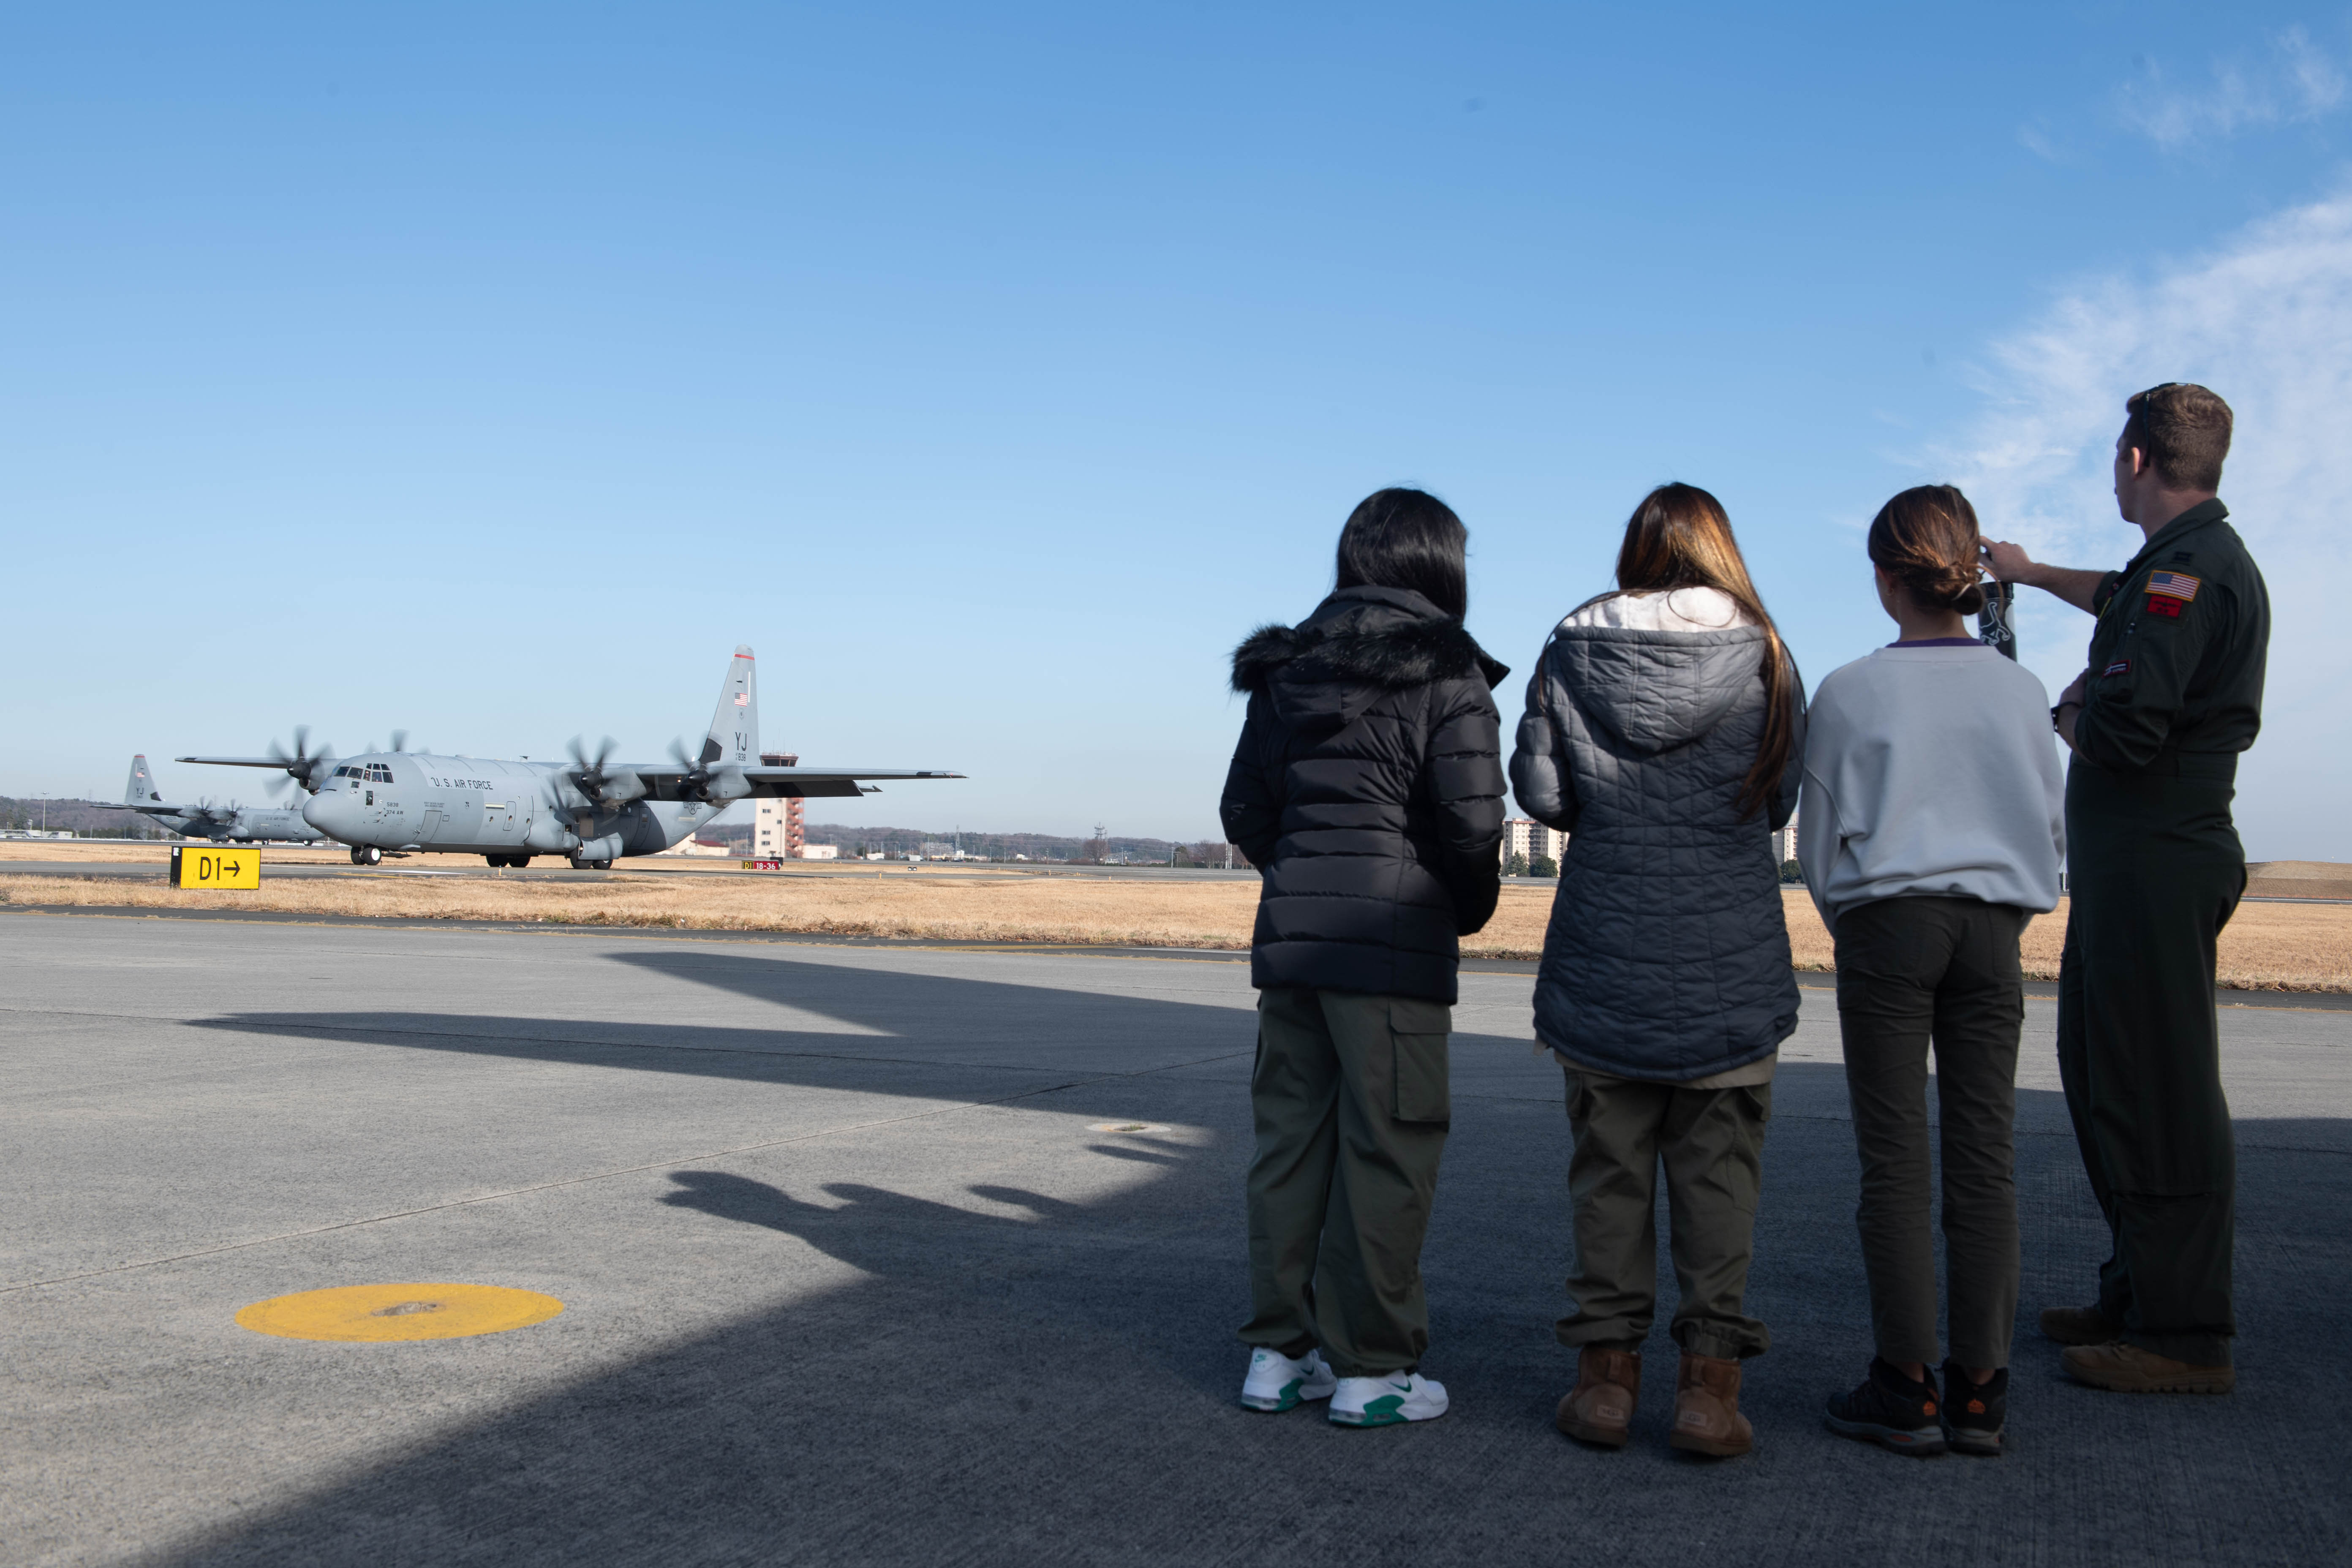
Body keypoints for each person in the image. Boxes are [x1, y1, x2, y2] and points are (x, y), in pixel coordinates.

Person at [1984, 382, 2269, 1395]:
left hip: (2158, 859)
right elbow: (2118, 595)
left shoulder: (2190, 575)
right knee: (2108, 1068)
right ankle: (2140, 1289)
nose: (2113, 470)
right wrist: (2027, 572)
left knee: (2159, 1089)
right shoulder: (2172, 568)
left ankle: (2186, 1332)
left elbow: (2128, 725)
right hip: (2135, 868)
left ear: (2139, 459)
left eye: (2115, 456)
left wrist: (2063, 713)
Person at [1508, 483, 1803, 1457]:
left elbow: (1544, 794)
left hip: (1604, 953)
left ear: (1637, 547)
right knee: (1720, 1186)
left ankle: (1604, 1384)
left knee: (1608, 1177)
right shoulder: (1766, 651)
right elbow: (1777, 800)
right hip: (1729, 962)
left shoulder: (1568, 648)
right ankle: (1708, 1395)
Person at [1219, 487, 1508, 1427]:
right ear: (1440, 565)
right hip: (1392, 956)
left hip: (1294, 952)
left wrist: (1303, 879)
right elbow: (1473, 823)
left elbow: (1244, 812)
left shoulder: (1285, 670)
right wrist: (1454, 909)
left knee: (1288, 1145)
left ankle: (1279, 1351)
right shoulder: (1447, 671)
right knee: (1390, 1147)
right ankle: (1372, 1366)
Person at [1799, 485, 2065, 1458]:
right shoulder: (2020, 689)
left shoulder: (1849, 689)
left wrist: (1854, 919)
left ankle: (1905, 1383)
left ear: (1883, 577)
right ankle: (1981, 1388)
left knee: (1896, 1161)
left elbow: (1819, 838)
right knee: (1985, 1160)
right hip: (1993, 930)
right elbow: (2048, 825)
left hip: (1888, 927)